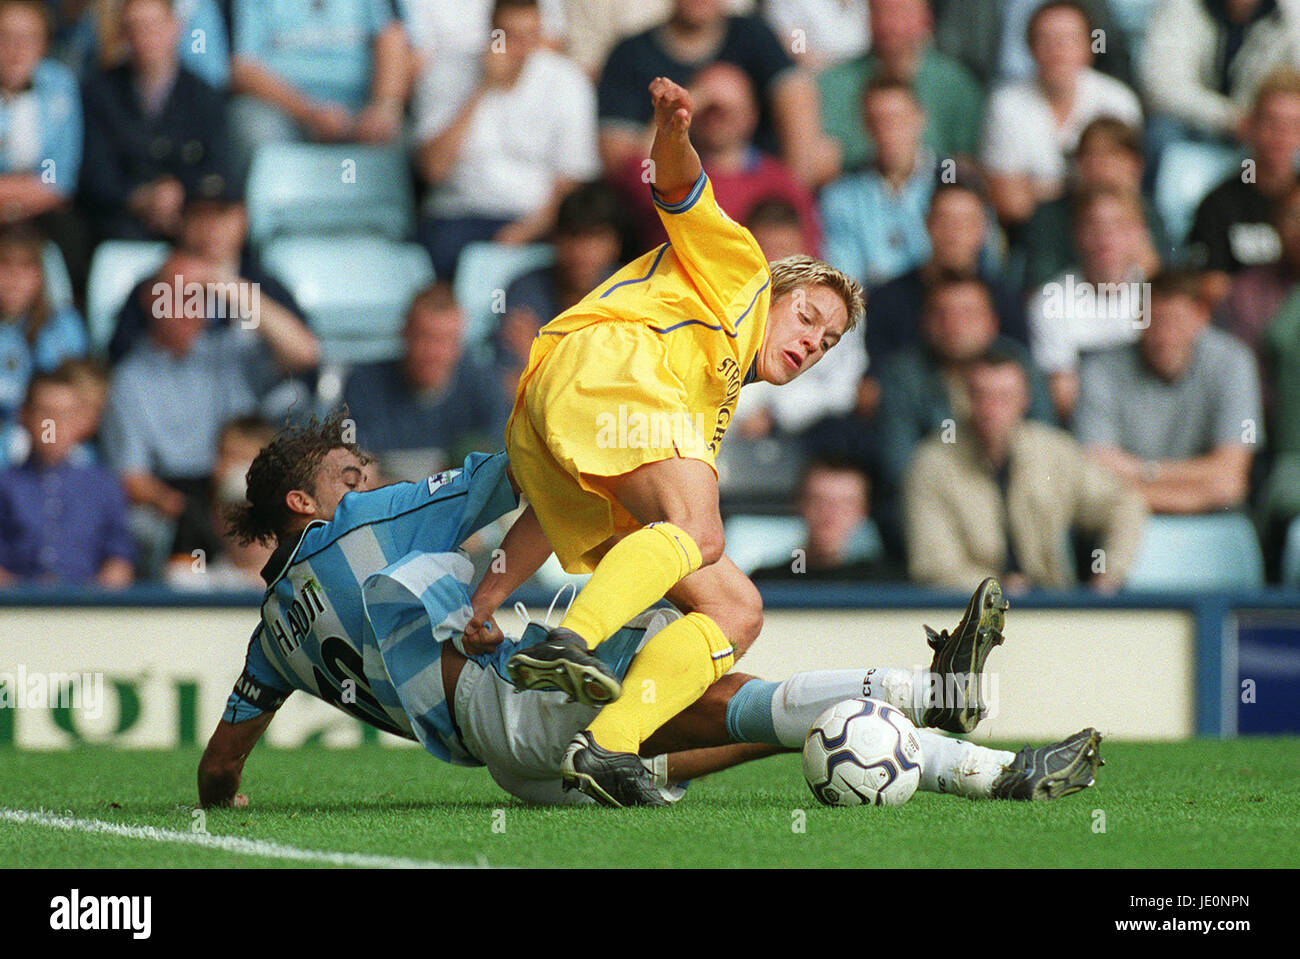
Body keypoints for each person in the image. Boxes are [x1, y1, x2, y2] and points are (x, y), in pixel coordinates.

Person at [196, 413, 1104, 807]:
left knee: (758, 710)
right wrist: (599, 410)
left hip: (521, 762)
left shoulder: (270, 637)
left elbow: (219, 764)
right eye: (349, 476)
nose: (372, 480)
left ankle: (940, 712)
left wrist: (230, 803)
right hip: (515, 709)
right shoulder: (359, 526)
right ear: (306, 506)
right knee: (703, 617)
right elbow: (515, 472)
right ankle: (952, 721)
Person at [484, 76, 864, 806]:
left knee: (737, 608)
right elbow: (680, 188)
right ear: (780, 291)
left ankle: (610, 744)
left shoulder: (703, 409)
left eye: (828, 340)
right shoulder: (744, 272)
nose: (814, 339)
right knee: (699, 528)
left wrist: (489, 596)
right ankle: (576, 640)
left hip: (554, 427)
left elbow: (554, 503)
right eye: (810, 315)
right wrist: (673, 127)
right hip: (600, 361)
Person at [904, 348, 1147, 593]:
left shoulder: (1053, 451)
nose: (992, 409)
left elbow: (1124, 502)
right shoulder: (932, 464)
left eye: (1004, 397)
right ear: (966, 398)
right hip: (969, 613)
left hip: (1049, 605)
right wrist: (999, 592)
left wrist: (1109, 576)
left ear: (1025, 399)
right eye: (982, 396)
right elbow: (934, 567)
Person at [414, 0, 598, 279]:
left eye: (530, 36)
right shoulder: (445, 72)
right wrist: (483, 87)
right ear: (490, 33)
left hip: (539, 221)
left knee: (584, 245)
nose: (520, 48)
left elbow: (572, 180)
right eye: (508, 36)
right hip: (458, 215)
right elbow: (432, 170)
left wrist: (524, 232)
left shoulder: (568, 81)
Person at [1075, 270, 1263, 514]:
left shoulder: (1234, 361)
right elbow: (1096, 464)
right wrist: (1196, 489)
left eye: (1176, 320)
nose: (1164, 336)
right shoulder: (1100, 368)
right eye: (1154, 321)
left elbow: (1231, 475)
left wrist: (1141, 474)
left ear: (1200, 318)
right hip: (1127, 519)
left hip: (1207, 517)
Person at [596, 0, 839, 188]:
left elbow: (797, 97)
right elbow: (626, 170)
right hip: (669, 209)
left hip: (758, 197)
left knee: (823, 155)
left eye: (727, 111)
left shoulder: (755, 35)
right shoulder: (630, 55)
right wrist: (692, 103)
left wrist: (792, 191)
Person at [611, 60, 822, 254]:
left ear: (752, 113)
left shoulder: (781, 181)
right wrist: (674, 116)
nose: (718, 120)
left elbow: (809, 256)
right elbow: (638, 174)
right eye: (708, 110)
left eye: (728, 110)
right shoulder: (674, 173)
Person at [78, 0, 234, 242]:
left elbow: (218, 170)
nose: (147, 36)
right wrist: (141, 198)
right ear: (124, 34)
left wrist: (180, 194)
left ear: (176, 27)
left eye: (155, 25)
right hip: (116, 224)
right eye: (137, 26)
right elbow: (94, 174)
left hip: (189, 223)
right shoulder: (99, 92)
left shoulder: (204, 96)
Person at [981, 0, 1143, 227]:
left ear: (1090, 46)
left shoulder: (1117, 101)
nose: (1058, 50)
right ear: (1031, 47)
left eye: (1069, 39)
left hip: (1107, 228)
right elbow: (1010, 202)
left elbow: (1125, 190)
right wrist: (1083, 185)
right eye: (1046, 40)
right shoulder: (1006, 104)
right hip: (1033, 230)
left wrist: (1039, 188)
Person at [341, 283, 509, 481]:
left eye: (444, 341)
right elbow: (354, 463)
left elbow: (497, 464)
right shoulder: (365, 384)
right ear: (404, 333)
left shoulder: (483, 385)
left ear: (459, 345)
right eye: (424, 338)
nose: (432, 353)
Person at [226, 0, 408, 177]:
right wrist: (309, 112)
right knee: (257, 130)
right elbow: (242, 67)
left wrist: (384, 106)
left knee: (402, 139)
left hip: (361, 109)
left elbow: (393, 38)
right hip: (283, 110)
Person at [1027, 185, 1162, 423]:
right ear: (1077, 234)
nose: (1106, 237)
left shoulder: (1160, 299)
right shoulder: (1051, 301)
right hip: (1086, 433)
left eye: (1119, 226)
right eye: (1094, 226)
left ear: (1140, 233)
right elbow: (1064, 401)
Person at [0, 368, 134, 587]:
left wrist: (94, 601)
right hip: (16, 611)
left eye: (65, 414)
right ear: (24, 416)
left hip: (88, 611)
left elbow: (119, 559)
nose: (53, 425)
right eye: (45, 413)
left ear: (82, 421)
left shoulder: (103, 485)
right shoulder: (5, 485)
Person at [818, 0, 983, 173]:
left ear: (926, 18)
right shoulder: (833, 83)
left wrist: (942, 188)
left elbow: (966, 163)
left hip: (934, 189)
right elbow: (825, 161)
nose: (890, 24)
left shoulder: (956, 83)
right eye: (881, 12)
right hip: (860, 191)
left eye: (901, 12)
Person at [1187, 68, 1300, 302]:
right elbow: (1210, 287)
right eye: (1272, 122)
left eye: (1292, 124)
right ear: (1250, 125)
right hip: (1238, 327)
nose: (1281, 134)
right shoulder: (1219, 203)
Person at [1021, 116, 1169, 291]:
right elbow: (1041, 284)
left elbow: (1165, 286)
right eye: (1091, 155)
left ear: (1135, 166)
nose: (1100, 165)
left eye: (1112, 155)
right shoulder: (1051, 215)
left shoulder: (1148, 212)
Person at [820, 76, 935, 288]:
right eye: (878, 121)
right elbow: (846, 285)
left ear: (920, 118)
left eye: (898, 119)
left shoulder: (950, 186)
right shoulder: (840, 198)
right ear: (865, 125)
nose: (888, 131)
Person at [1141, 0, 1300, 145]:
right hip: (1194, 126)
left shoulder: (1292, 14)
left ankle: (1253, 176)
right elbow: (1163, 87)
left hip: (1263, 127)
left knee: (1284, 135)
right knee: (1162, 131)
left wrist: (1266, 121)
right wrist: (1232, 120)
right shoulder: (1180, 7)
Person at [0, 224, 88, 441]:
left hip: (45, 435)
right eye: (4, 265)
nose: (15, 278)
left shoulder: (63, 325)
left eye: (25, 267)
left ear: (41, 275)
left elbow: (72, 394)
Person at [750, 458, 902, 581]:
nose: (830, 514)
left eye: (845, 504)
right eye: (819, 501)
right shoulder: (768, 582)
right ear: (799, 504)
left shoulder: (884, 582)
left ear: (862, 511)